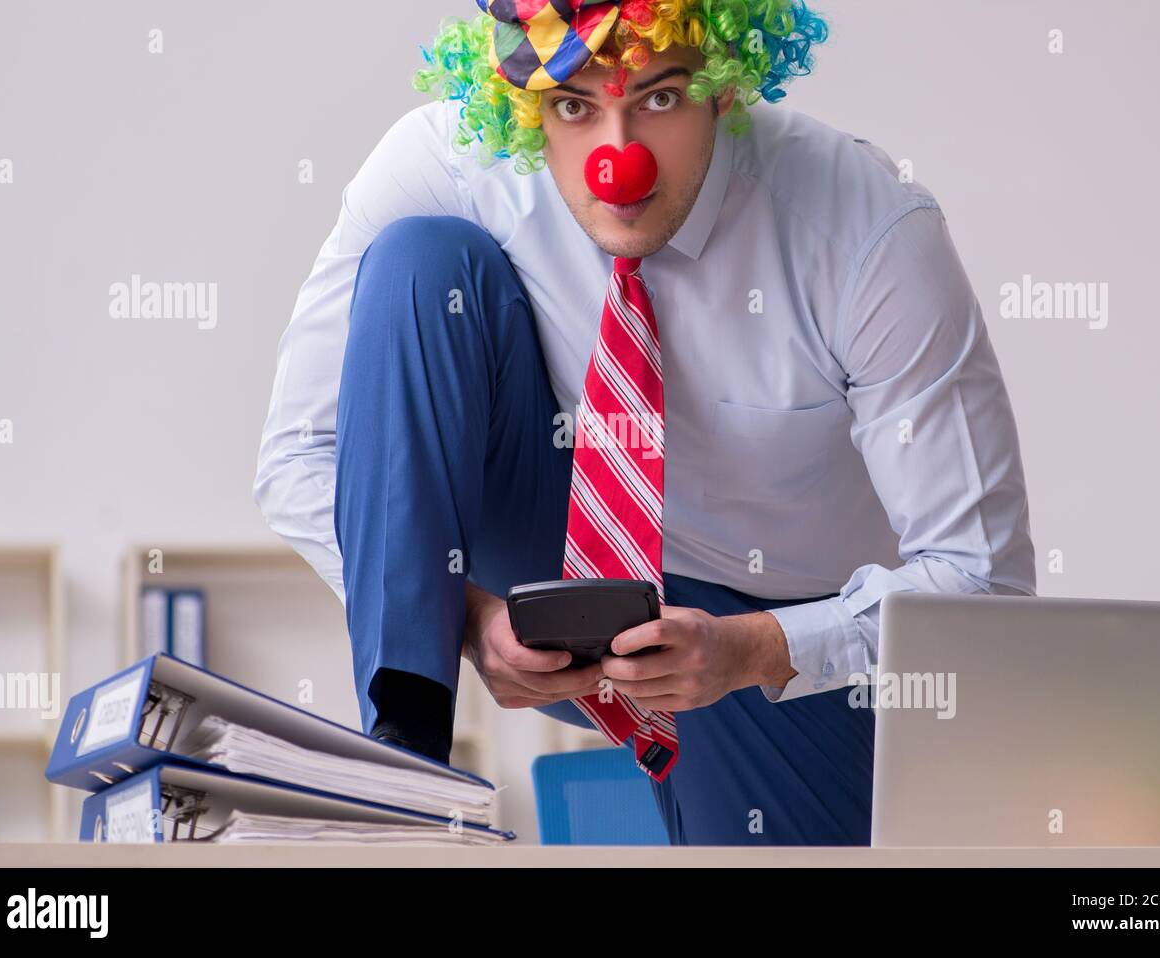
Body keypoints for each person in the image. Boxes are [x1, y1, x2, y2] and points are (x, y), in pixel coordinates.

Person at [254, 0, 1036, 845]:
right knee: (420, 263)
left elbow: (982, 585)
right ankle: (403, 775)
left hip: (769, 630)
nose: (615, 161)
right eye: (573, 106)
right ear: (525, 106)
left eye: (659, 99)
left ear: (725, 89)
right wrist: (470, 621)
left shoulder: (865, 229)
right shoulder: (446, 162)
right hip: (553, 548)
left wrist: (755, 648)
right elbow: (302, 457)